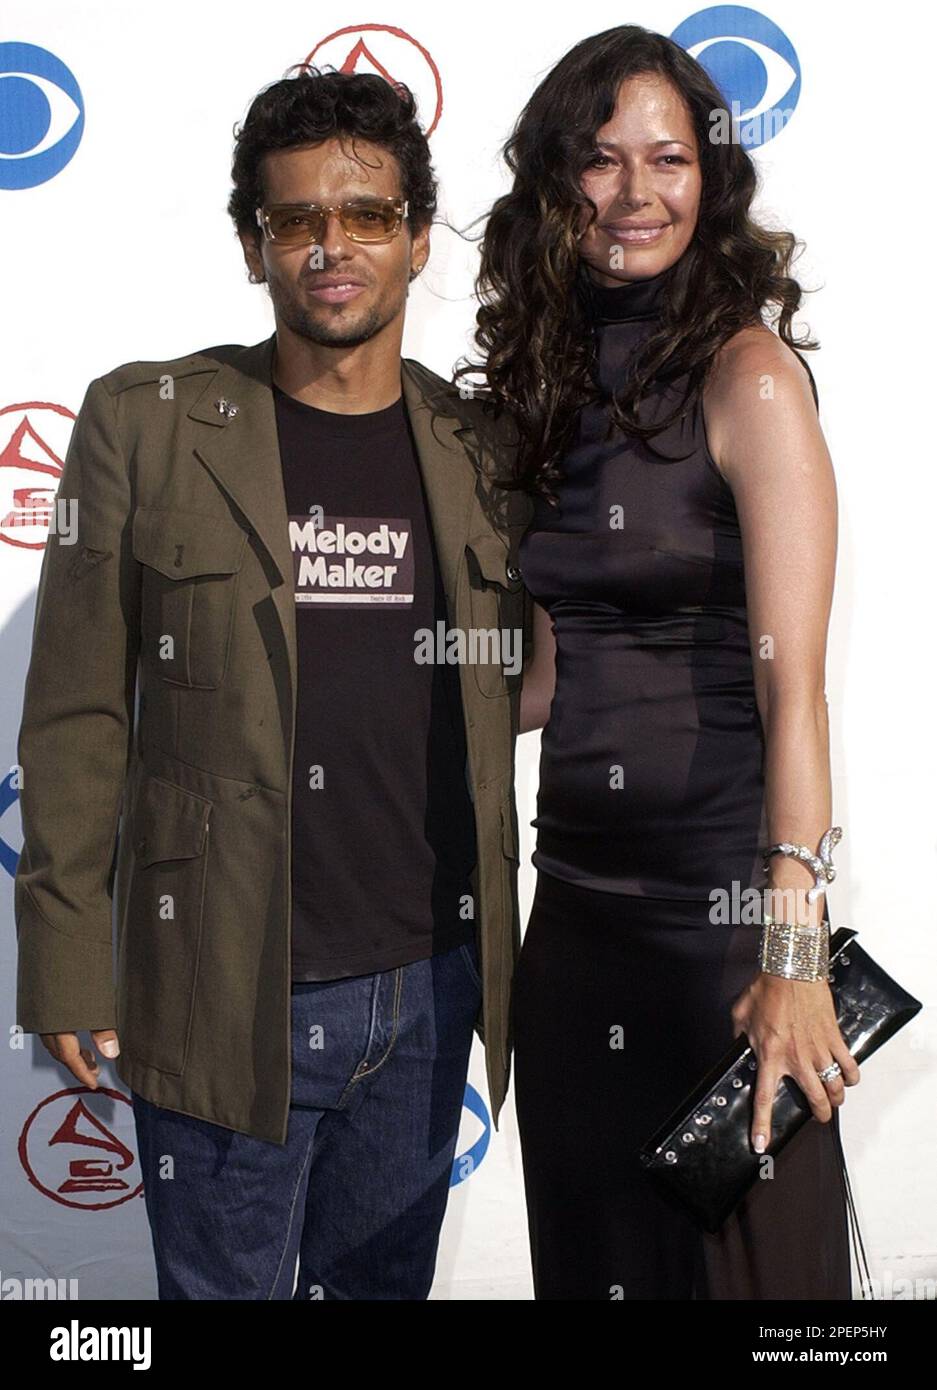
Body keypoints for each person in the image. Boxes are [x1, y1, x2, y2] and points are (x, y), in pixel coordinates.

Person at [14, 68, 531, 1300]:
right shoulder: (144, 423)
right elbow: (78, 713)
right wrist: (68, 963)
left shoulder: (482, 447)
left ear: (417, 237)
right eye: (295, 220)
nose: (329, 248)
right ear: (253, 246)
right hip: (219, 986)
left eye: (363, 215)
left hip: (423, 993)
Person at [467, 25, 859, 1299]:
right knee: (595, 1265)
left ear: (712, 177)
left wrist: (791, 962)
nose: (637, 195)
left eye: (669, 158)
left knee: (743, 1284)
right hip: (574, 923)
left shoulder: (748, 379)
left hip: (718, 938)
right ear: (552, 183)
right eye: (600, 160)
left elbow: (790, 689)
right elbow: (540, 679)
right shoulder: (546, 386)